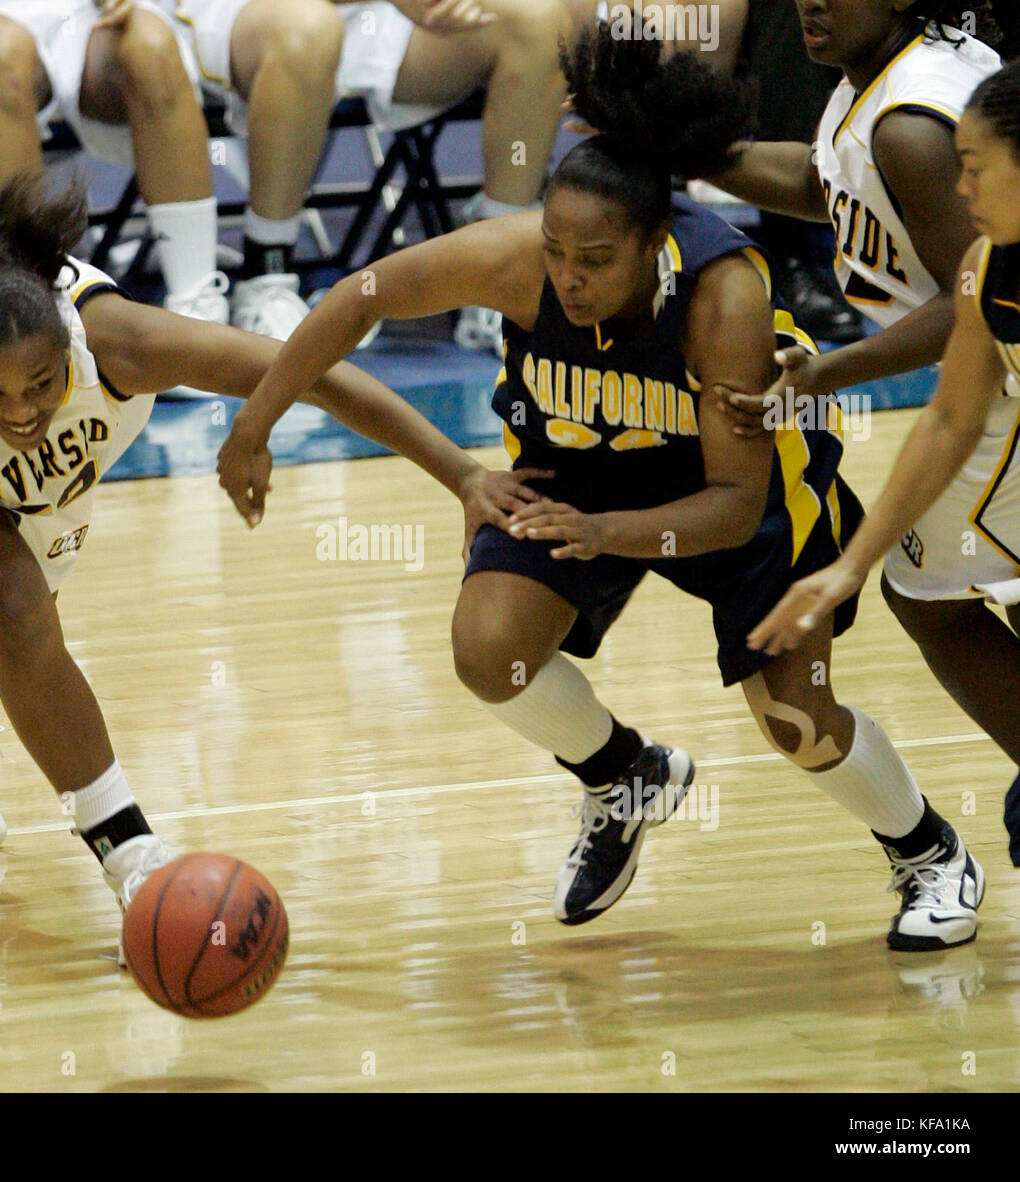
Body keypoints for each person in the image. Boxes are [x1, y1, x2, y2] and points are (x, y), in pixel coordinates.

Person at [217, 28, 985, 949]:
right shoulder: (515, 261)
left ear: (655, 243)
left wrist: (603, 533)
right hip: (579, 472)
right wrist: (254, 425)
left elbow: (734, 506)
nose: (569, 281)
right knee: (489, 651)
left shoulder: (722, 296)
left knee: (795, 718)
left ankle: (931, 852)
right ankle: (626, 774)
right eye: (556, 253)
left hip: (739, 499)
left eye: (595, 261)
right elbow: (358, 298)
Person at [0, 171, 531, 952]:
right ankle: (136, 863)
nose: (19, 412)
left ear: (68, 350)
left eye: (41, 386)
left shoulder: (124, 343)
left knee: (8, 618)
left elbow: (309, 370)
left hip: (39, 443)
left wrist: (461, 474)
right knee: (11, 602)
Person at [699, 1, 1019, 827]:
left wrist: (827, 372)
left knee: (936, 600)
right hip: (986, 388)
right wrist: (693, 151)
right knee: (932, 595)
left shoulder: (910, 126)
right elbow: (825, 182)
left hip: (1005, 397)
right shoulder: (884, 78)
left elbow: (964, 304)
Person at [166, 0, 570, 348]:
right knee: (307, 30)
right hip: (254, 16)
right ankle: (266, 275)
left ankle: (494, 274)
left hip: (383, 19)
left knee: (535, 18)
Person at [0, 0, 227, 323]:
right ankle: (22, 316)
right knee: (1, 53)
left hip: (77, 10)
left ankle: (199, 306)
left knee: (150, 43)